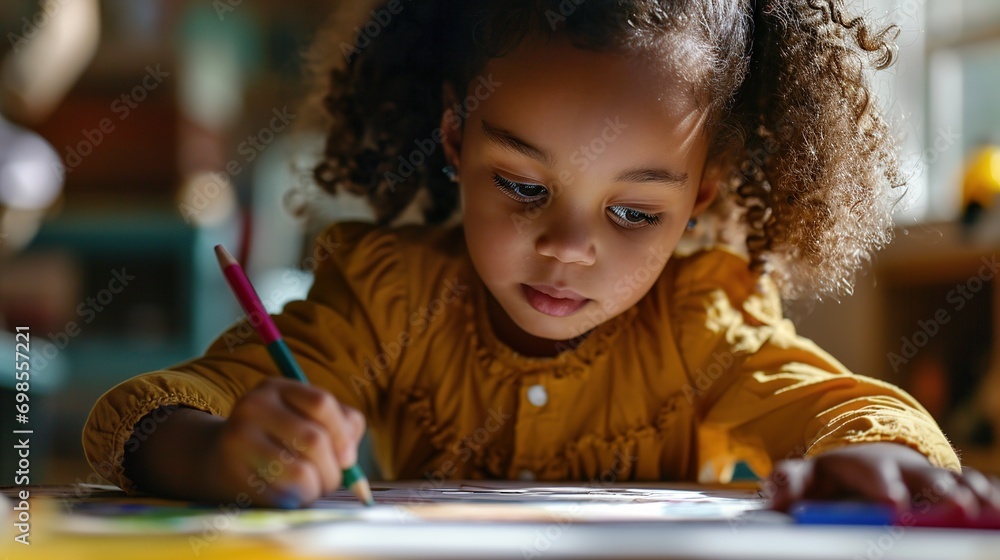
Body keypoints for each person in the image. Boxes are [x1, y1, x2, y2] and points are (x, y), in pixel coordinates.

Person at [84, 0, 1000, 515]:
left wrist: (884, 460)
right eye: (522, 186)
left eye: (636, 210)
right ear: (453, 136)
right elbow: (156, 408)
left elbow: (855, 411)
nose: (568, 246)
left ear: (704, 195)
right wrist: (213, 452)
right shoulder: (385, 298)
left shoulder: (703, 322)